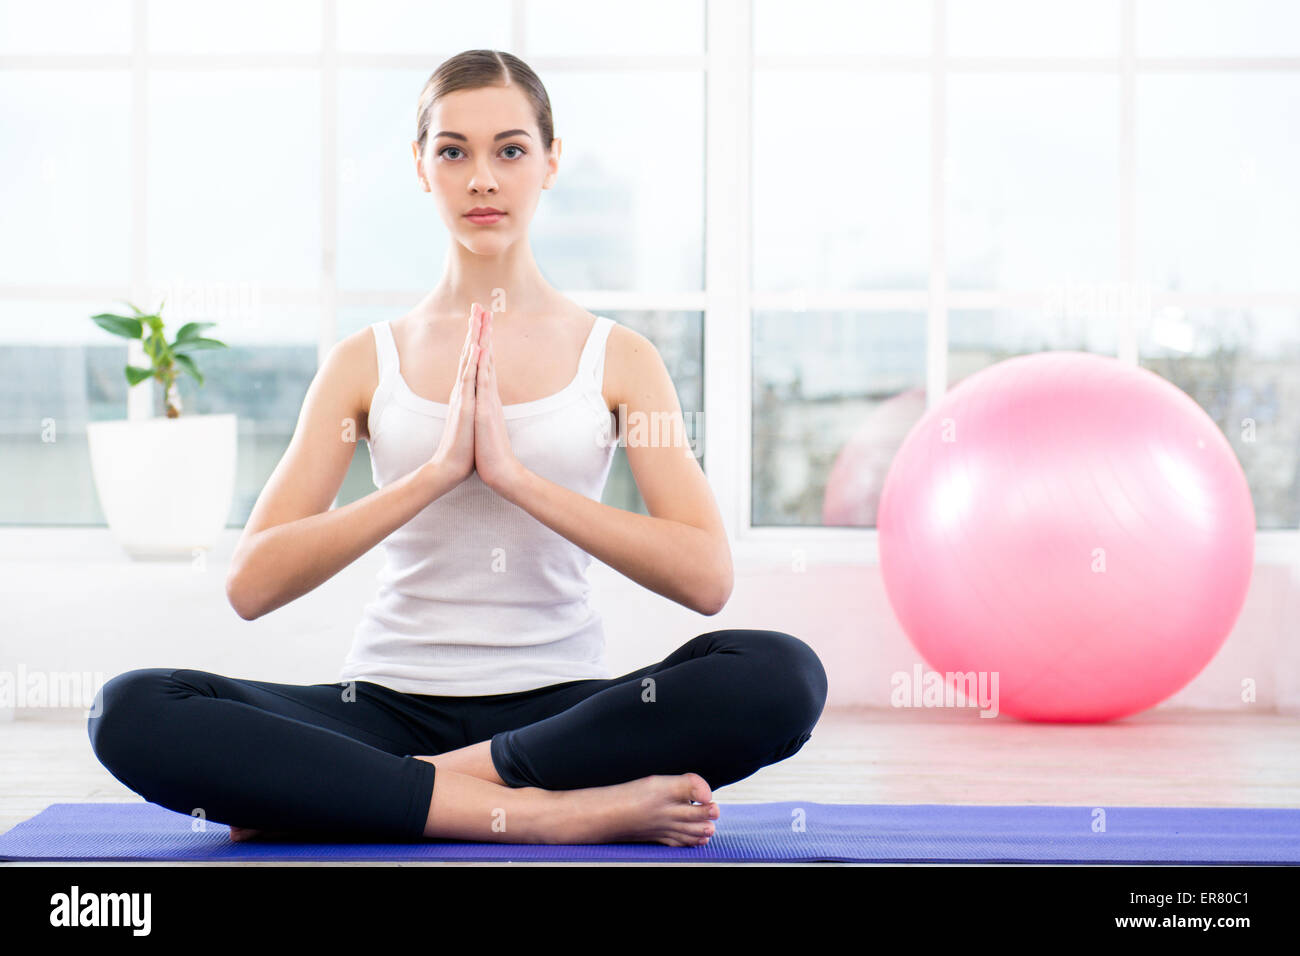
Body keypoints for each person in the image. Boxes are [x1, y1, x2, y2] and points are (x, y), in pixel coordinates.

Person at [87, 49, 827, 847]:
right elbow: (252, 583)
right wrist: (437, 474)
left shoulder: (618, 356)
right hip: (378, 711)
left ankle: (395, 791)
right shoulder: (364, 360)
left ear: (550, 162)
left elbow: (706, 577)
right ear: (421, 166)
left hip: (566, 717)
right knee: (132, 707)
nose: (482, 177)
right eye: (453, 151)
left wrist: (513, 477)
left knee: (782, 673)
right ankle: (550, 813)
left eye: (510, 150)